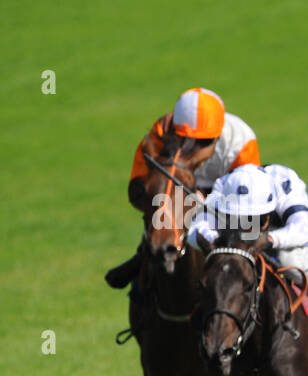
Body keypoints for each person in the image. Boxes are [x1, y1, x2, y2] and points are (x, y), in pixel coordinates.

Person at [106, 87, 260, 289]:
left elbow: (248, 204)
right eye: (185, 140)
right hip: (176, 196)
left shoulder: (241, 141)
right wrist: (168, 207)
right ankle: (145, 256)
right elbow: (137, 190)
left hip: (225, 196)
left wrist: (207, 204)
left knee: (254, 239)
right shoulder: (159, 134)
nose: (193, 147)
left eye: (203, 141)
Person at [188, 163, 308, 336]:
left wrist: (270, 239)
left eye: (253, 220)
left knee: (293, 266)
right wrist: (214, 241)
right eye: (240, 219)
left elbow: (307, 229)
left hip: (283, 231)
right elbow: (196, 230)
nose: (248, 228)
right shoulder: (224, 187)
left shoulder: (286, 186)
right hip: (238, 236)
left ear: (266, 216)